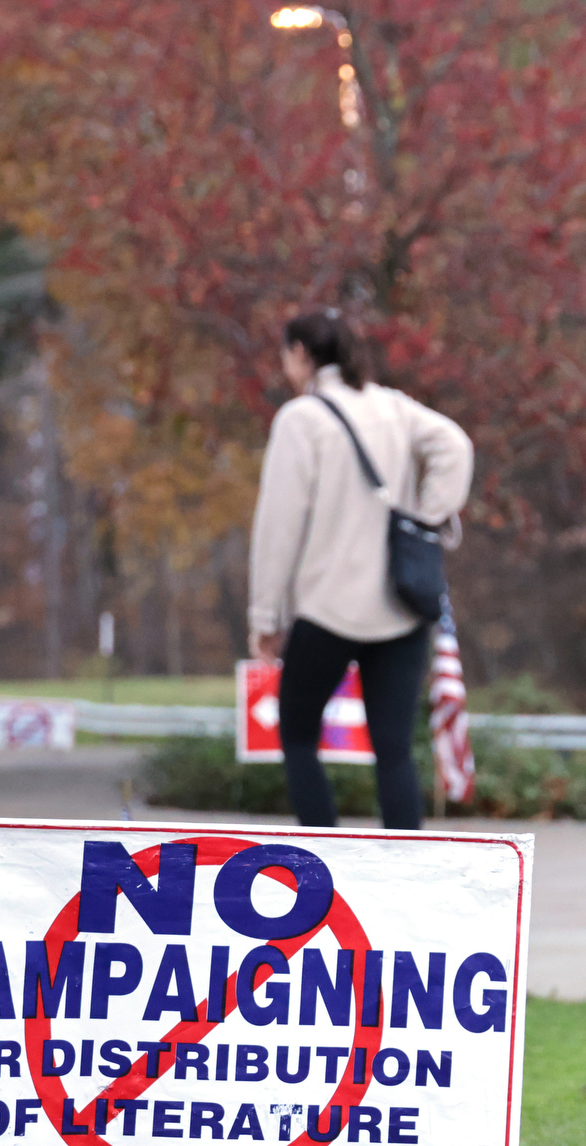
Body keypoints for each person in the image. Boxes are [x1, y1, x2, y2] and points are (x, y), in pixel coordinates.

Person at [247, 310, 474, 831]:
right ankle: (403, 865)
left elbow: (278, 526)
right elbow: (455, 446)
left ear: (302, 353)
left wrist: (266, 616)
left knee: (299, 735)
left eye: (286, 355)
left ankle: (325, 854)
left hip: (328, 608)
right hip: (401, 606)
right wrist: (429, 513)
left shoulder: (301, 419)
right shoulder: (394, 407)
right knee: (393, 747)